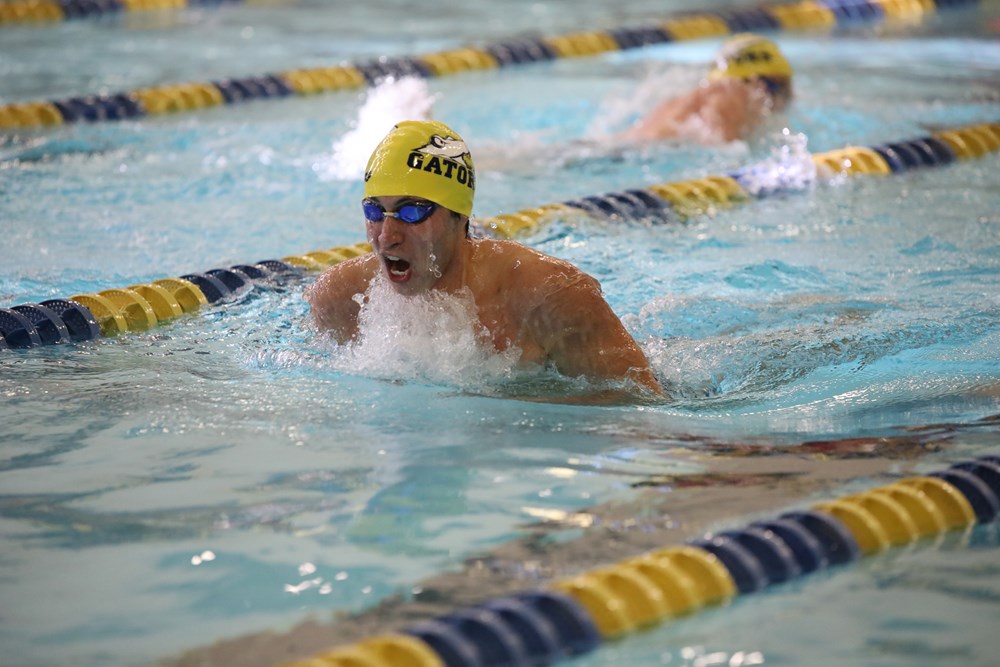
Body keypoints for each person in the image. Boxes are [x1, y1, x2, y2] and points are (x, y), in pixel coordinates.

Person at [305, 119, 664, 401]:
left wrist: (492, 410)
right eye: (374, 210)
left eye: (412, 211)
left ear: (459, 216)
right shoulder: (340, 299)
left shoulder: (547, 295)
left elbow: (640, 400)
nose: (386, 235)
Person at [618, 33, 793, 145]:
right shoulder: (732, 95)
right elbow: (723, 158)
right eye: (778, 87)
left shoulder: (700, 96)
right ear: (760, 83)